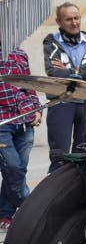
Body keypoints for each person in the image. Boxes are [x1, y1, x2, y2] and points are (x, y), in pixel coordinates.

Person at [42, 2, 86, 169]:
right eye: (68, 19)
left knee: (83, 155)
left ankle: (78, 192)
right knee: (59, 154)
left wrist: (72, 70)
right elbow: (54, 72)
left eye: (77, 18)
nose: (74, 23)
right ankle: (56, 191)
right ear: (59, 22)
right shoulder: (51, 42)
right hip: (62, 101)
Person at [0, 46, 42, 230]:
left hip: (25, 118)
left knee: (16, 172)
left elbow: (29, 84)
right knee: (13, 167)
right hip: (2, 120)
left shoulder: (19, 52)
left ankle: (5, 214)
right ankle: (31, 210)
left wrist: (37, 109)